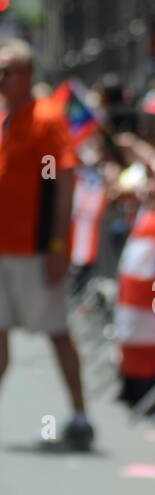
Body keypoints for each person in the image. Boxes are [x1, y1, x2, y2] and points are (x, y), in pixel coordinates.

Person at [0, 39, 92, 450]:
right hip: (2, 250)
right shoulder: (5, 118)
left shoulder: (48, 118)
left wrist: (57, 245)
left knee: (56, 331)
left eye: (9, 70)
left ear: (28, 75)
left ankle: (79, 414)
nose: (1, 78)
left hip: (36, 250)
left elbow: (61, 183)